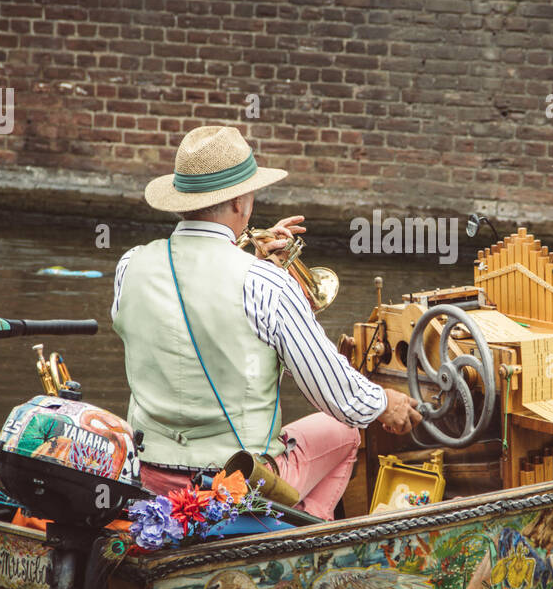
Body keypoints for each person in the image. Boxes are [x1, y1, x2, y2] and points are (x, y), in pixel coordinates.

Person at [111, 125, 422, 519]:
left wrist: (248, 261)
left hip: (146, 474)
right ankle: (301, 542)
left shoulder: (130, 265)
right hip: (234, 484)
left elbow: (185, 318)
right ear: (240, 202)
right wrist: (385, 403)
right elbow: (336, 396)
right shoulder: (265, 283)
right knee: (345, 432)